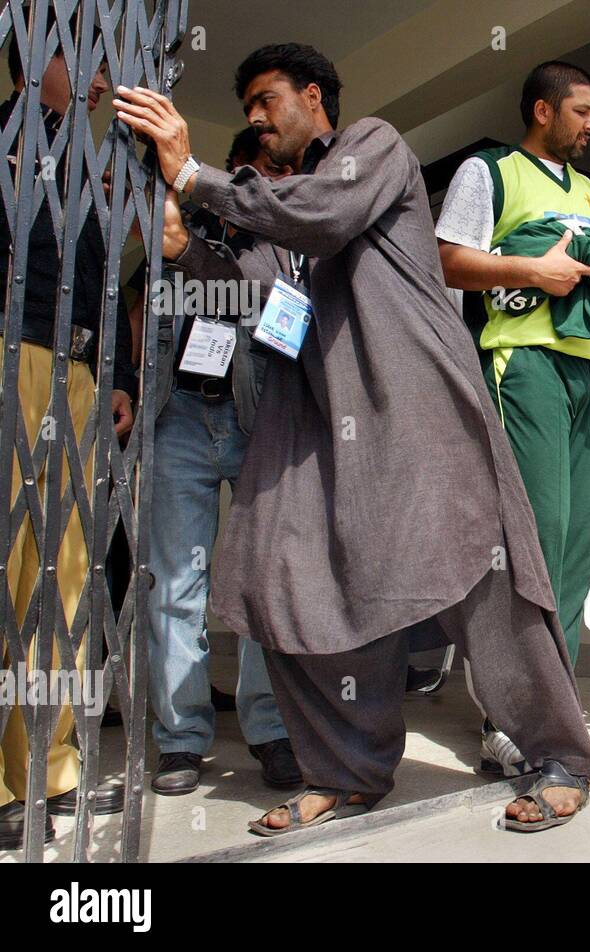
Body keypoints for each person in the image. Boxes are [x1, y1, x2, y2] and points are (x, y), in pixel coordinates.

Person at [113, 43, 590, 834]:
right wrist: (184, 250)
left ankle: (560, 754)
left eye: (268, 100)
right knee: (292, 578)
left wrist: (192, 172)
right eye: (249, 111)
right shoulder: (276, 214)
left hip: (417, 409)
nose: (258, 119)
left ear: (314, 95)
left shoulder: (370, 147)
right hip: (319, 423)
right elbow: (266, 310)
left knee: (479, 574)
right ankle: (347, 770)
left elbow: (325, 213)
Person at [436, 61, 590, 767]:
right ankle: (509, 718)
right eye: (582, 110)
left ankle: (556, 704)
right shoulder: (488, 172)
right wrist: (531, 272)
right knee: (535, 541)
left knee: (578, 545)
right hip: (524, 364)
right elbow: (447, 261)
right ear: (543, 111)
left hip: (589, 369)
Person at [0, 39, 134, 850]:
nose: (99, 77)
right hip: (13, 355)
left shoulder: (88, 162)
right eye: (77, 53)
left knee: (66, 577)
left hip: (78, 366)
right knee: (9, 560)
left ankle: (44, 775)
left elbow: (100, 281)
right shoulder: (10, 142)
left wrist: (112, 370)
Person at [146, 127, 301, 796]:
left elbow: (269, 309)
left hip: (257, 416)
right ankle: (181, 740)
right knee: (176, 583)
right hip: (180, 413)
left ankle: (270, 731)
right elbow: (143, 308)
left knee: (264, 583)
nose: (256, 191)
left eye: (268, 180)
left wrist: (190, 254)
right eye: (251, 175)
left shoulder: (281, 242)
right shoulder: (174, 223)